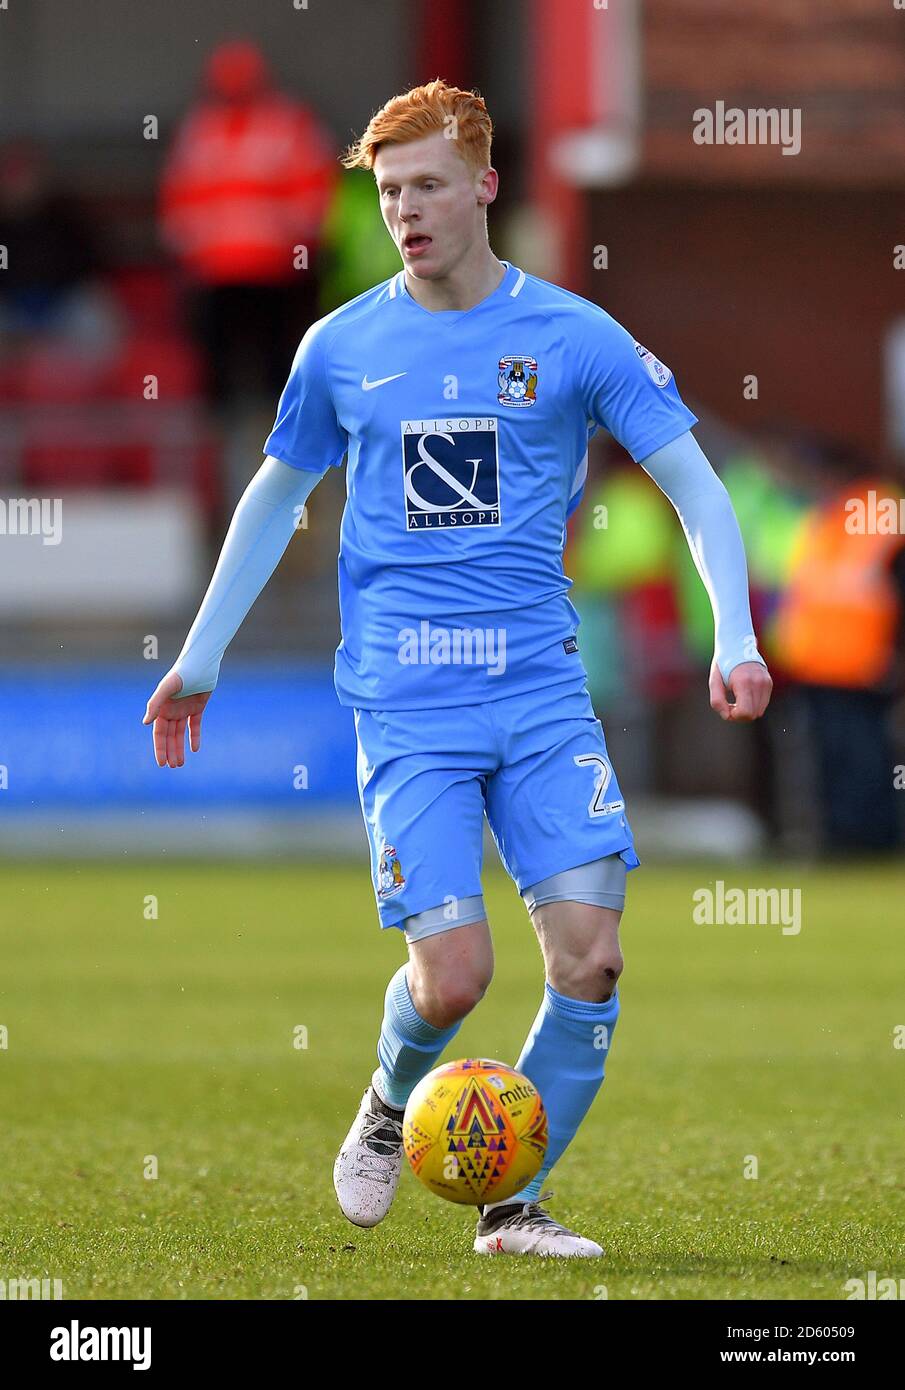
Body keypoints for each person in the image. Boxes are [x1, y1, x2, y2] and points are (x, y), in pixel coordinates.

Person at [143, 81, 772, 1258]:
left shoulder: (574, 337)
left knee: (590, 956)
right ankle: (387, 1108)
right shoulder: (340, 346)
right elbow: (276, 494)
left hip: (538, 695)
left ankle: (511, 1204)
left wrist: (732, 633)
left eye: (427, 185)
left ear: (485, 186)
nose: (405, 212)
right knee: (454, 977)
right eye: (387, 193)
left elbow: (692, 483)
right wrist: (199, 654)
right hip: (408, 701)